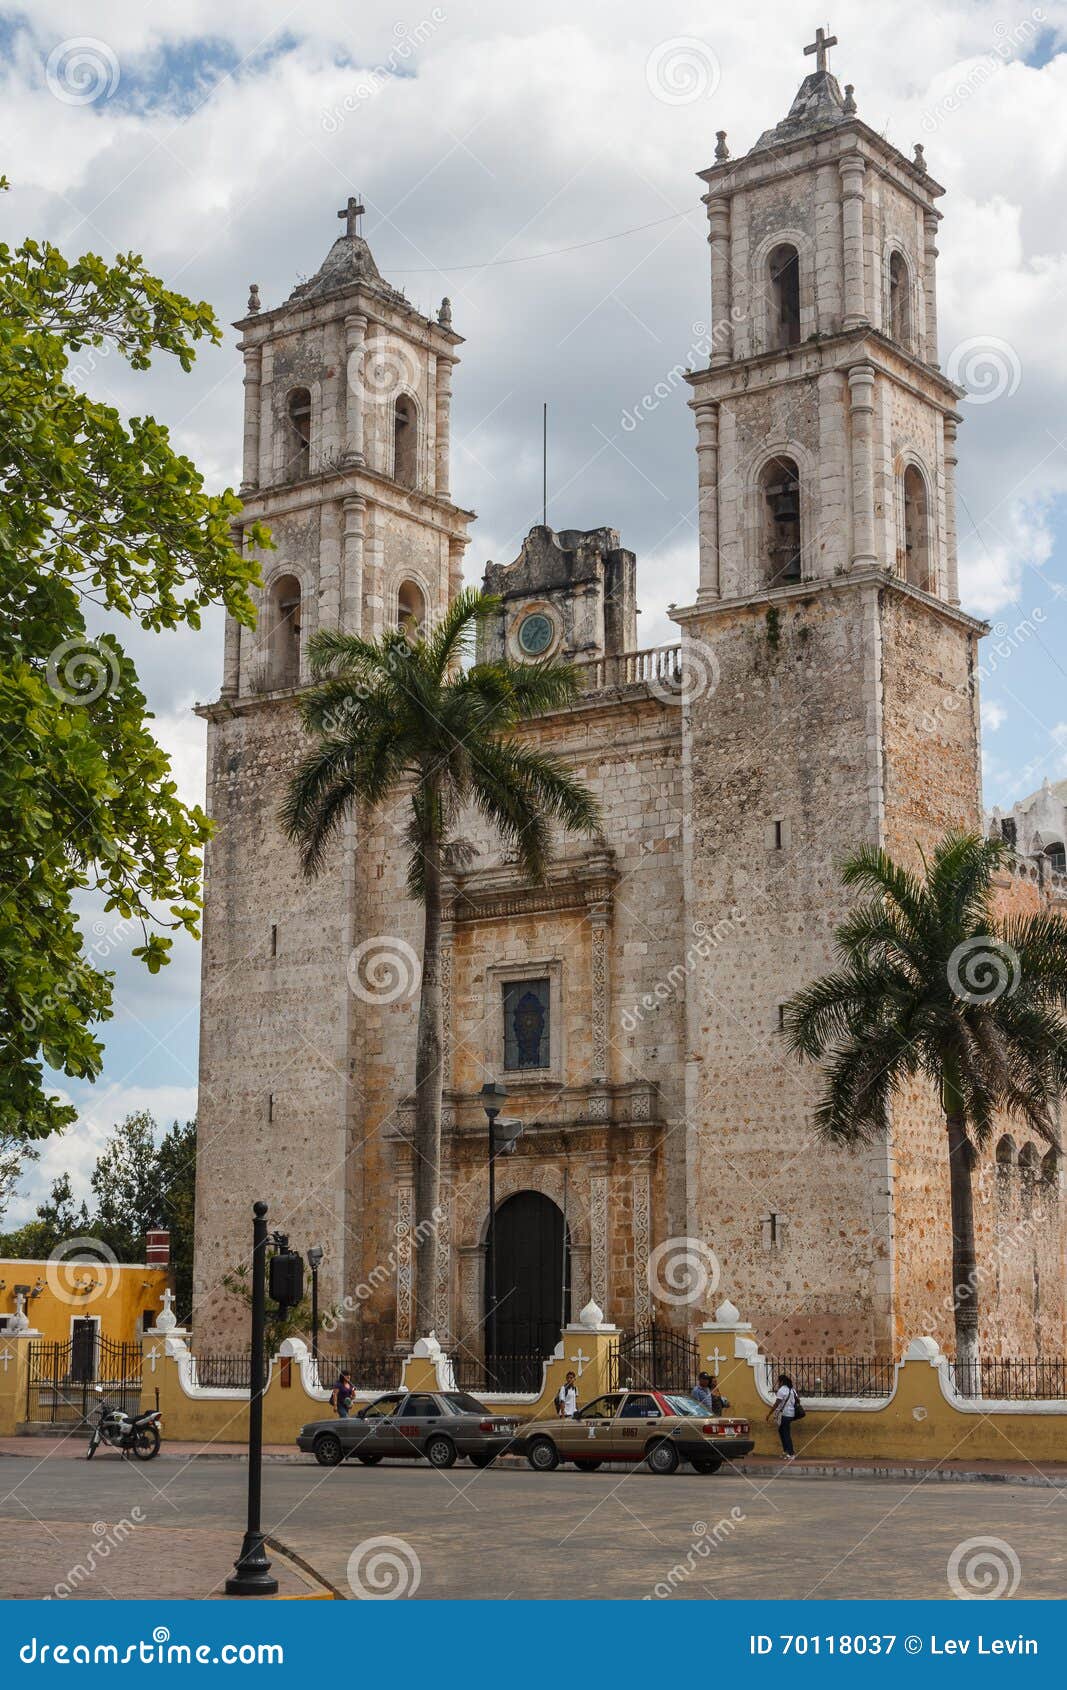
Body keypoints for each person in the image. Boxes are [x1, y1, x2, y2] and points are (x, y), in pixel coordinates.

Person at [767, 1372, 798, 1460]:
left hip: (784, 1414)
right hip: (791, 1414)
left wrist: (769, 1414)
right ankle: (786, 1451)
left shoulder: (782, 1390)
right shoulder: (792, 1390)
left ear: (781, 1381)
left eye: (778, 1381)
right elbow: (798, 1400)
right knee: (782, 1432)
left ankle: (791, 1453)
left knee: (785, 1433)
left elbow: (776, 1404)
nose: (778, 1383)